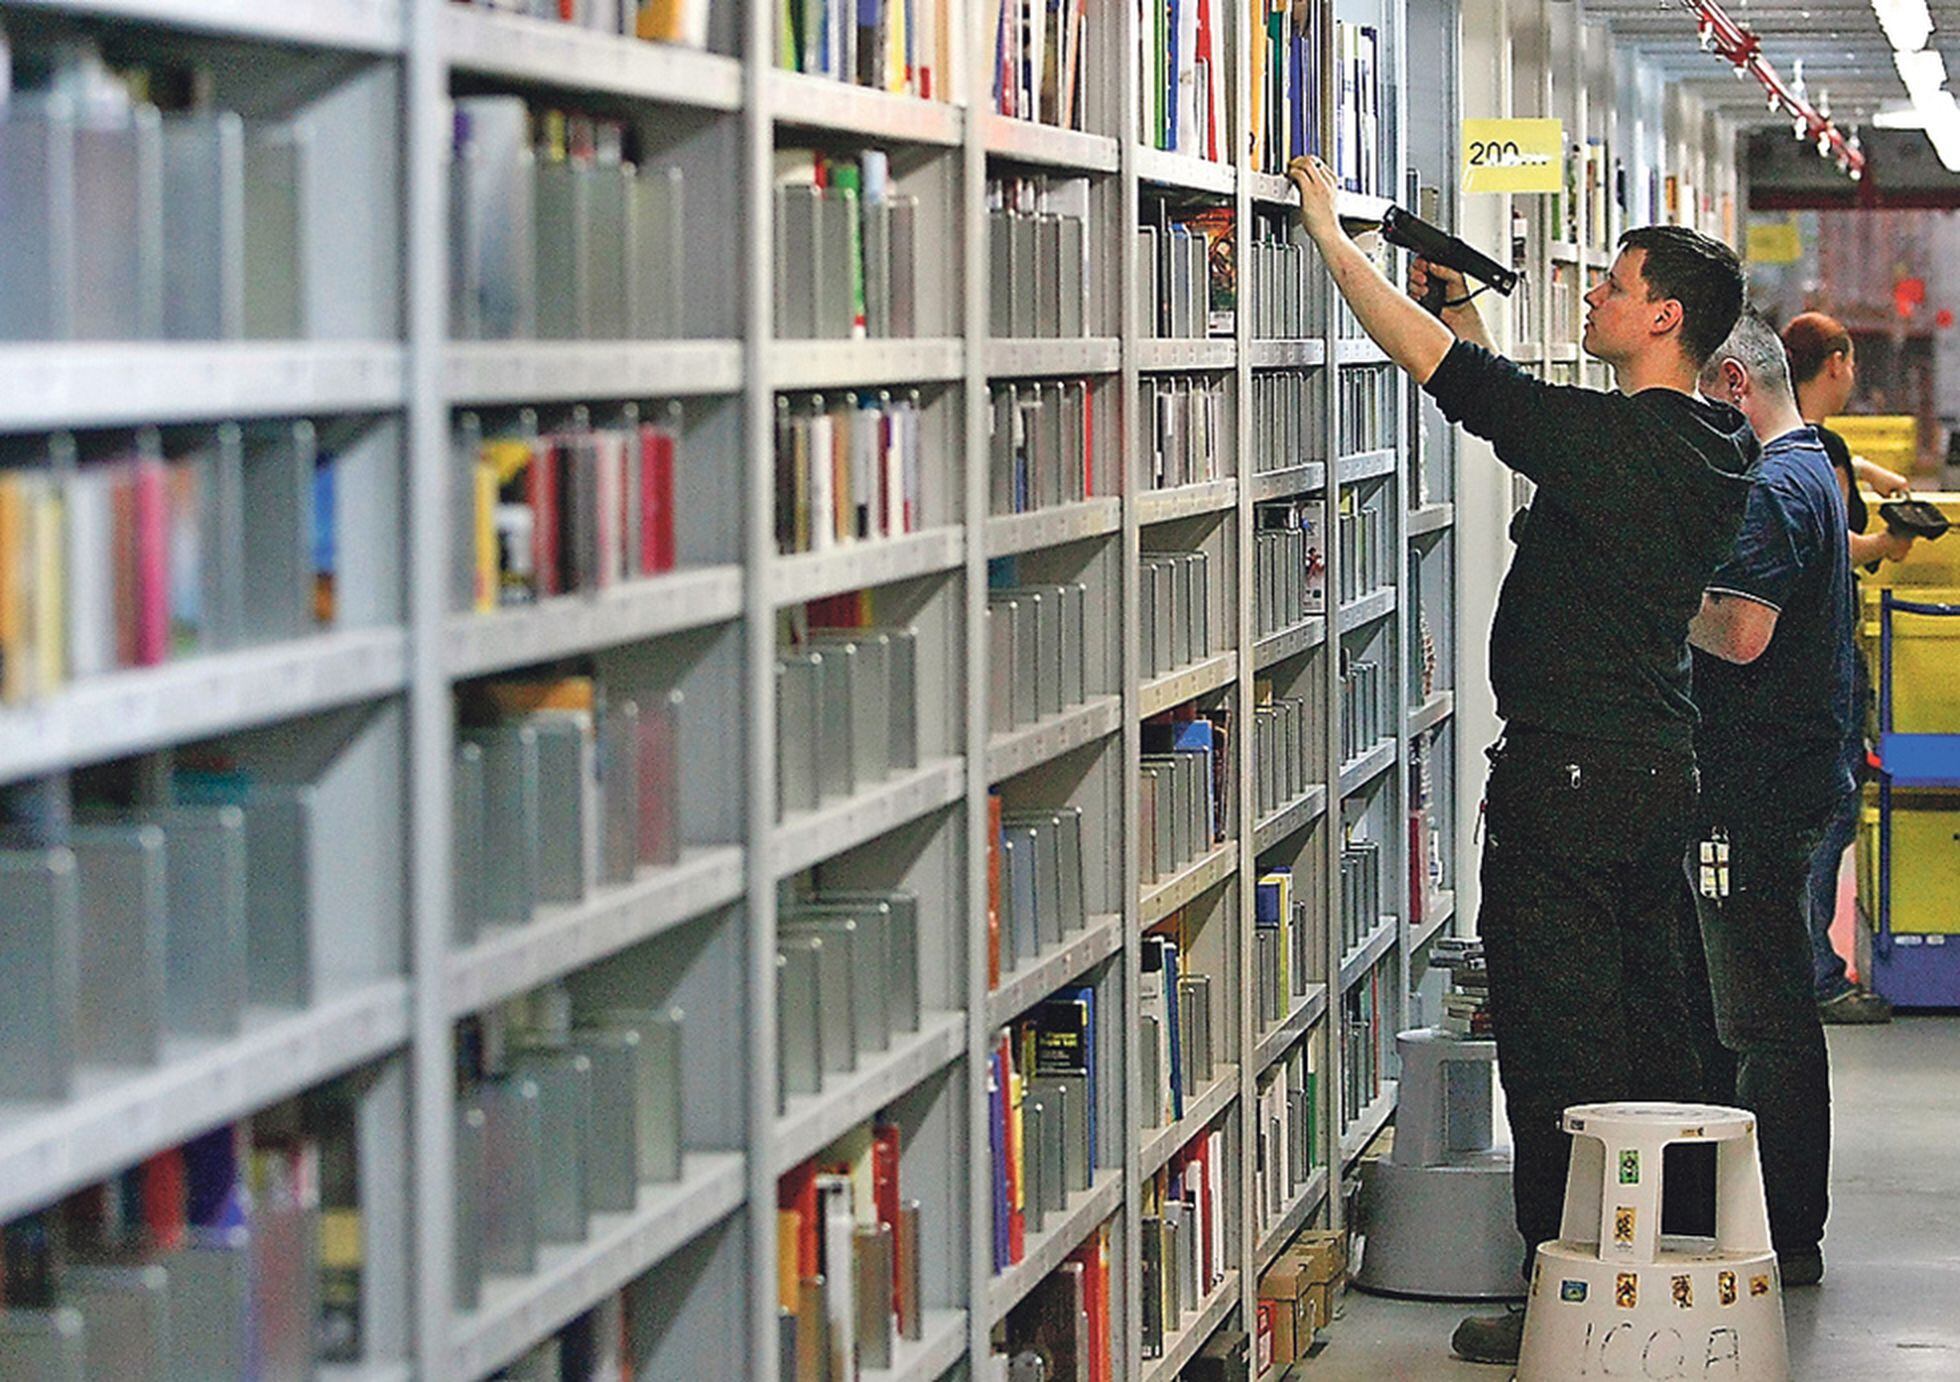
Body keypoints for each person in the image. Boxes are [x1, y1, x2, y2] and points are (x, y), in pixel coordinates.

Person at [1285, 154, 1758, 1366]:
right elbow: (1526, 412)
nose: (1592, 298)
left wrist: (1335, 241)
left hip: (1570, 784)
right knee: (1652, 1026)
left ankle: (1566, 1300)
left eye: (1611, 285)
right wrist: (1455, 297)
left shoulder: (1620, 443)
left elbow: (1463, 384)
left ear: (1664, 316)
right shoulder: (1701, 442)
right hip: (1652, 769)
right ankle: (1649, 1277)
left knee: (1557, 1041)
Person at [1684, 309, 1855, 1285]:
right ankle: (1778, 1219)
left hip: (1753, 793)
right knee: (1764, 1003)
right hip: (1779, 781)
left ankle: (1785, 1227)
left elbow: (1741, 632)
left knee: (1760, 1015)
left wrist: (1653, 586)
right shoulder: (1808, 472)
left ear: (1735, 386)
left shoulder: (1775, 486)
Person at [1782, 311, 1914, 1024]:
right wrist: (1890, 541)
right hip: (1826, 650)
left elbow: (1833, 465)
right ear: (1834, 361)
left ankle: (1801, 965)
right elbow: (1836, 540)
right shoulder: (1813, 445)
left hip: (1799, 652)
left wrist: (1869, 471)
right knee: (1832, 813)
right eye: (1851, 360)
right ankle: (1818, 975)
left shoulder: (1788, 436)